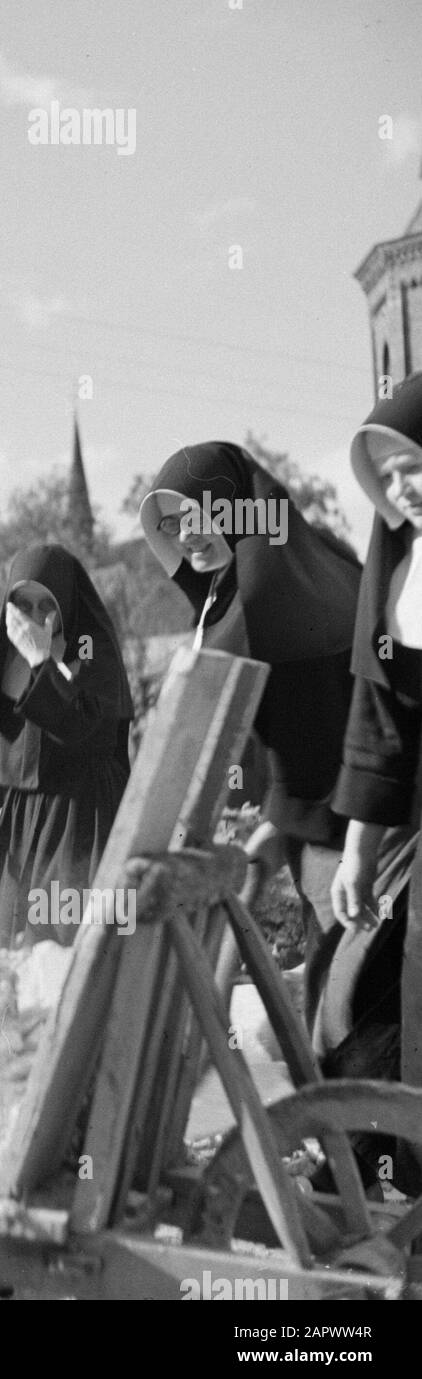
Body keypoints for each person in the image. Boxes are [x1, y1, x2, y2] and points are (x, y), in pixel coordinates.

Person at [138, 442, 368, 1026]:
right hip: (323, 823)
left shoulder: (273, 594)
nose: (186, 535)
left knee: (350, 1010)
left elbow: (322, 732)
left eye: (198, 515)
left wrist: (283, 819)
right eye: (171, 523)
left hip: (357, 833)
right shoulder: (252, 579)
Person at [330, 371, 422, 1195]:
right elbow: (382, 717)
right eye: (386, 476)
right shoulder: (402, 571)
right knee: (373, 986)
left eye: (414, 464)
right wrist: (359, 848)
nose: (402, 487)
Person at [0, 544, 132, 948]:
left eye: (46, 605)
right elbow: (16, 722)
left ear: (66, 604)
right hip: (26, 814)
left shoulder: (93, 655)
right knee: (13, 932)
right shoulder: (16, 657)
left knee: (65, 936)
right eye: (23, 605)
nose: (35, 618)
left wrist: (42, 663)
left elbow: (83, 729)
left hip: (81, 812)